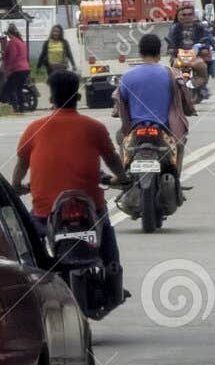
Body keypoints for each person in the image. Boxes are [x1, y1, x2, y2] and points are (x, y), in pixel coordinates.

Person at [13, 69, 128, 303]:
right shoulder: (94, 127)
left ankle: (28, 291)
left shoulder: (34, 128)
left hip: (45, 211)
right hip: (91, 209)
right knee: (106, 238)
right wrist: (122, 178)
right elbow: (113, 160)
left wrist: (17, 186)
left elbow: (21, 165)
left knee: (27, 246)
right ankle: (113, 278)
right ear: (78, 97)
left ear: (51, 98)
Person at [116, 33, 196, 155]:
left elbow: (120, 102)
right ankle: (175, 171)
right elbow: (185, 99)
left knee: (120, 138)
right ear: (159, 52)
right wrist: (190, 110)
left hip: (135, 129)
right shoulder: (172, 74)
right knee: (180, 141)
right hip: (165, 128)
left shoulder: (126, 77)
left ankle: (124, 171)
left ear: (140, 52)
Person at [166, 2, 215, 93]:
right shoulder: (174, 28)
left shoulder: (201, 27)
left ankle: (203, 85)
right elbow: (170, 40)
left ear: (194, 15)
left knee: (203, 65)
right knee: (173, 69)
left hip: (196, 56)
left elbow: (209, 38)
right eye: (184, 15)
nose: (187, 17)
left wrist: (205, 47)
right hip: (179, 56)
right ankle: (176, 88)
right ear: (179, 16)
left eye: (189, 14)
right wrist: (171, 48)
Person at [0, 24, 31, 107]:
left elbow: (12, 57)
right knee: (18, 89)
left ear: (10, 34)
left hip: (17, 69)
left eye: (8, 35)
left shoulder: (12, 42)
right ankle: (21, 107)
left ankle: (15, 107)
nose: (8, 37)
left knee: (10, 88)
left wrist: (7, 70)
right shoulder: (21, 41)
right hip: (25, 69)